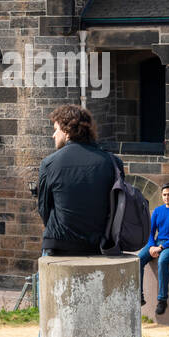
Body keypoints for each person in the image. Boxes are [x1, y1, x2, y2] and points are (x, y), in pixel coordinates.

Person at [35, 104, 119, 257]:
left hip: (59, 245)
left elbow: (44, 208)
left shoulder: (49, 163)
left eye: (56, 129)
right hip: (100, 245)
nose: (53, 135)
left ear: (67, 130)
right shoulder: (112, 162)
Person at [138, 183, 169, 315]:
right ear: (162, 196)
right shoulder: (157, 211)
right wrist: (151, 246)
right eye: (164, 195)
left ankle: (162, 300)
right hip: (158, 243)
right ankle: (139, 296)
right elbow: (150, 231)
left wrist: (160, 248)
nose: (166, 197)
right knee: (139, 260)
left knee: (162, 260)